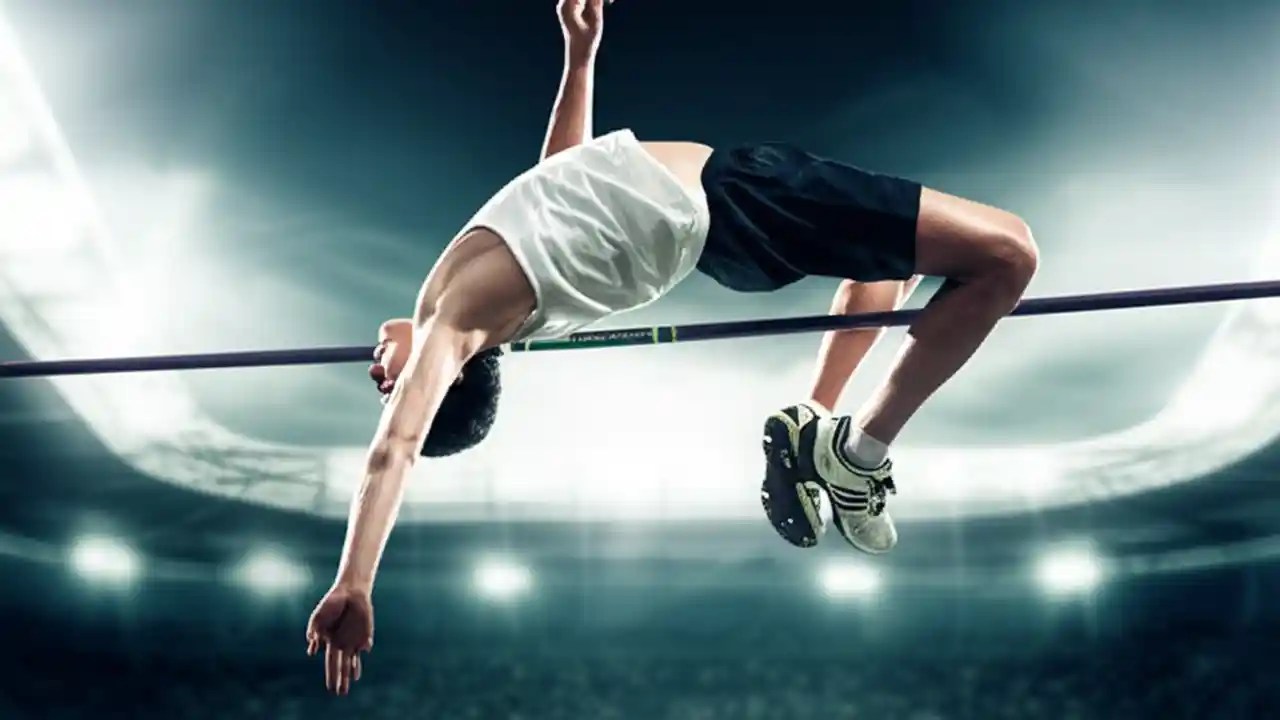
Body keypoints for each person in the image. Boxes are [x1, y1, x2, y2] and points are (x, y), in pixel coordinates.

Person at [306, 0, 1038, 695]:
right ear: (447, 378)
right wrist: (355, 581)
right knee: (1008, 255)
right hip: (743, 200)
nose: (379, 377)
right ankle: (859, 454)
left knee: (892, 266)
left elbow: (558, 183)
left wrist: (580, 58)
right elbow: (395, 448)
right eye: (389, 388)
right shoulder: (457, 322)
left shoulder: (484, 297)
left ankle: (816, 424)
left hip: (732, 218)